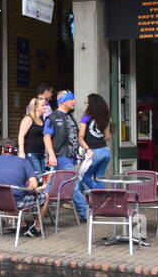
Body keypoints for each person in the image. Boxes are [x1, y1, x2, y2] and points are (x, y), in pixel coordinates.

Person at [0, 139, 49, 237]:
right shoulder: (23, 162)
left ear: (3, 150)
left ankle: (21, 224)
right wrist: (31, 189)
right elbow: (33, 185)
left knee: (12, 193)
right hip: (16, 202)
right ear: (17, 151)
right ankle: (37, 227)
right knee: (45, 195)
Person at [43, 91, 87, 222]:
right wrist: (51, 155)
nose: (74, 102)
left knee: (52, 184)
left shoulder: (70, 117)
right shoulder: (52, 117)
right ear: (63, 101)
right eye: (72, 99)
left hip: (70, 156)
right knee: (73, 184)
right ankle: (85, 214)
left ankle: (39, 206)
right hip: (61, 156)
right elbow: (46, 137)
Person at [78, 93, 112, 192]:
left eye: (86, 103)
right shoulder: (103, 117)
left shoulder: (86, 117)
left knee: (83, 176)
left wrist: (87, 148)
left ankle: (102, 195)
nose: (85, 105)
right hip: (105, 151)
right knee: (99, 177)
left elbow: (80, 136)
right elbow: (107, 137)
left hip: (93, 152)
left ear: (91, 105)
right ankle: (100, 203)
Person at [17, 97, 48, 183]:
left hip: (41, 153)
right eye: (43, 105)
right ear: (35, 108)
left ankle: (38, 195)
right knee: (38, 176)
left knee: (43, 176)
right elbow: (21, 135)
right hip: (31, 152)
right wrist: (21, 152)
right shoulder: (28, 119)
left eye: (45, 105)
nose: (45, 107)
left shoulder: (42, 119)